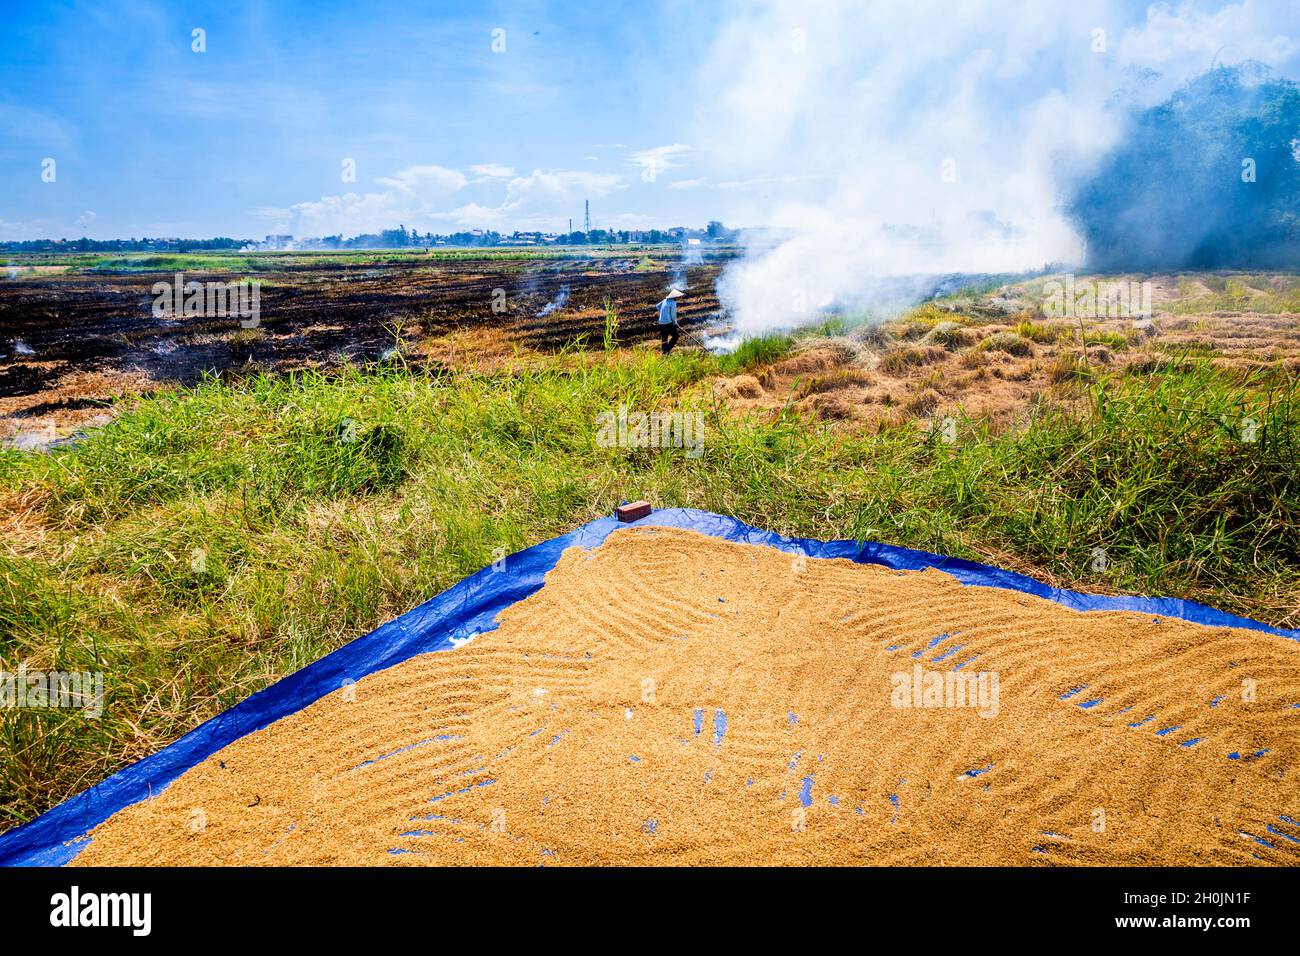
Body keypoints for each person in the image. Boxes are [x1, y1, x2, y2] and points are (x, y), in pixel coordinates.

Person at [657, 287, 684, 354]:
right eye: (678, 297)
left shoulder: (665, 300)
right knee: (676, 336)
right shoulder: (673, 302)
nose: (679, 298)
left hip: (661, 322)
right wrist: (675, 323)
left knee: (664, 338)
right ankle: (667, 350)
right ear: (675, 296)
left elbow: (657, 306)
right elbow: (673, 315)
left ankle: (664, 352)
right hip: (668, 323)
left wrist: (663, 314)